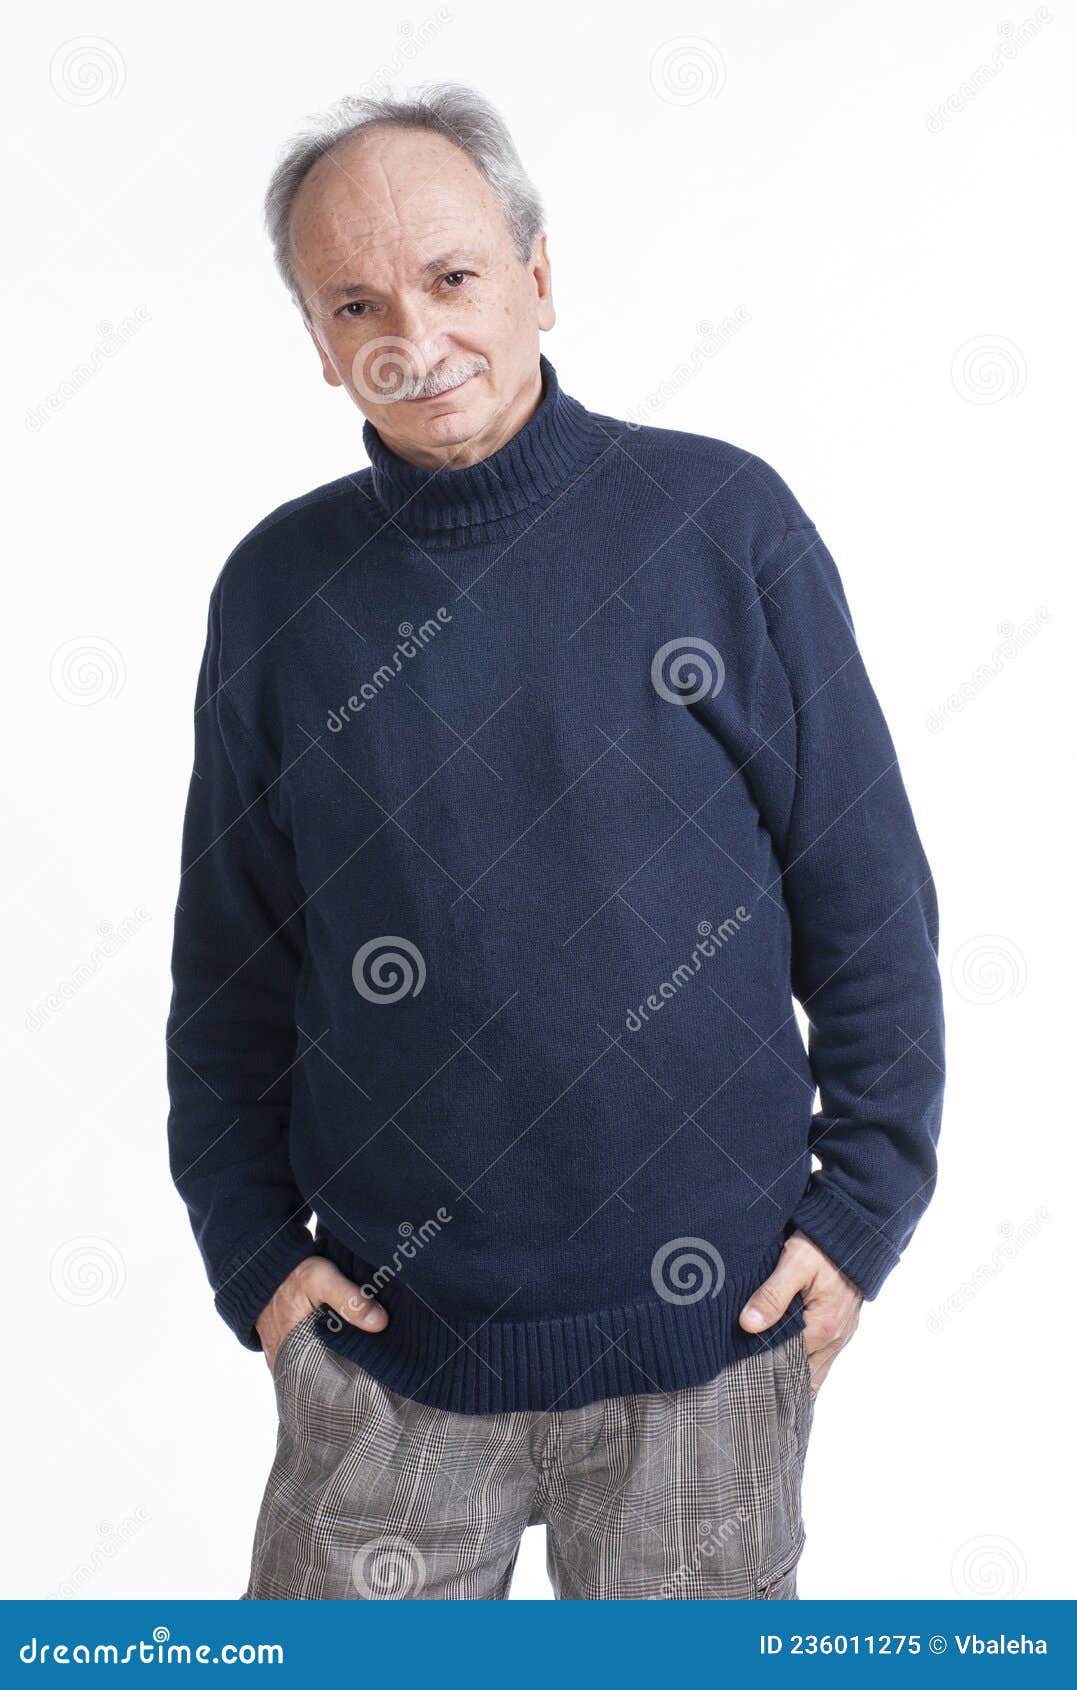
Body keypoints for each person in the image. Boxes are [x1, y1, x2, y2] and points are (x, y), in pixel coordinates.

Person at [166, 83, 944, 1601]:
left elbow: (867, 908)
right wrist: (255, 1259)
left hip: (705, 1346)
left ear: (536, 273)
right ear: (320, 348)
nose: (415, 329)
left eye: (452, 275)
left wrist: (856, 1214)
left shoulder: (722, 526)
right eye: (356, 300)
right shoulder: (279, 595)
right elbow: (228, 978)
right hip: (383, 1356)